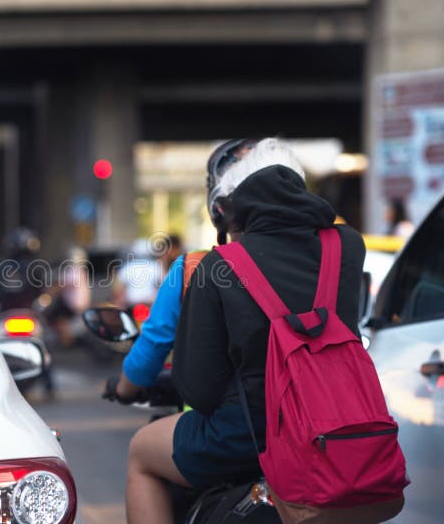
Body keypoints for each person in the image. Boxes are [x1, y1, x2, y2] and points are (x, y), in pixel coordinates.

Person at [121, 138, 366, 524]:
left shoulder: (213, 267)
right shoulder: (348, 246)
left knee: (140, 453)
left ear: (227, 208)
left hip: (247, 436)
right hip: (335, 432)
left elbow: (198, 391)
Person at [103, 139, 257, 403]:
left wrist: (122, 389)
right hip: (320, 429)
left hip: (233, 427)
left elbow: (151, 349)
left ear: (218, 208)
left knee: (141, 445)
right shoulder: (337, 251)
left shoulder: (192, 269)